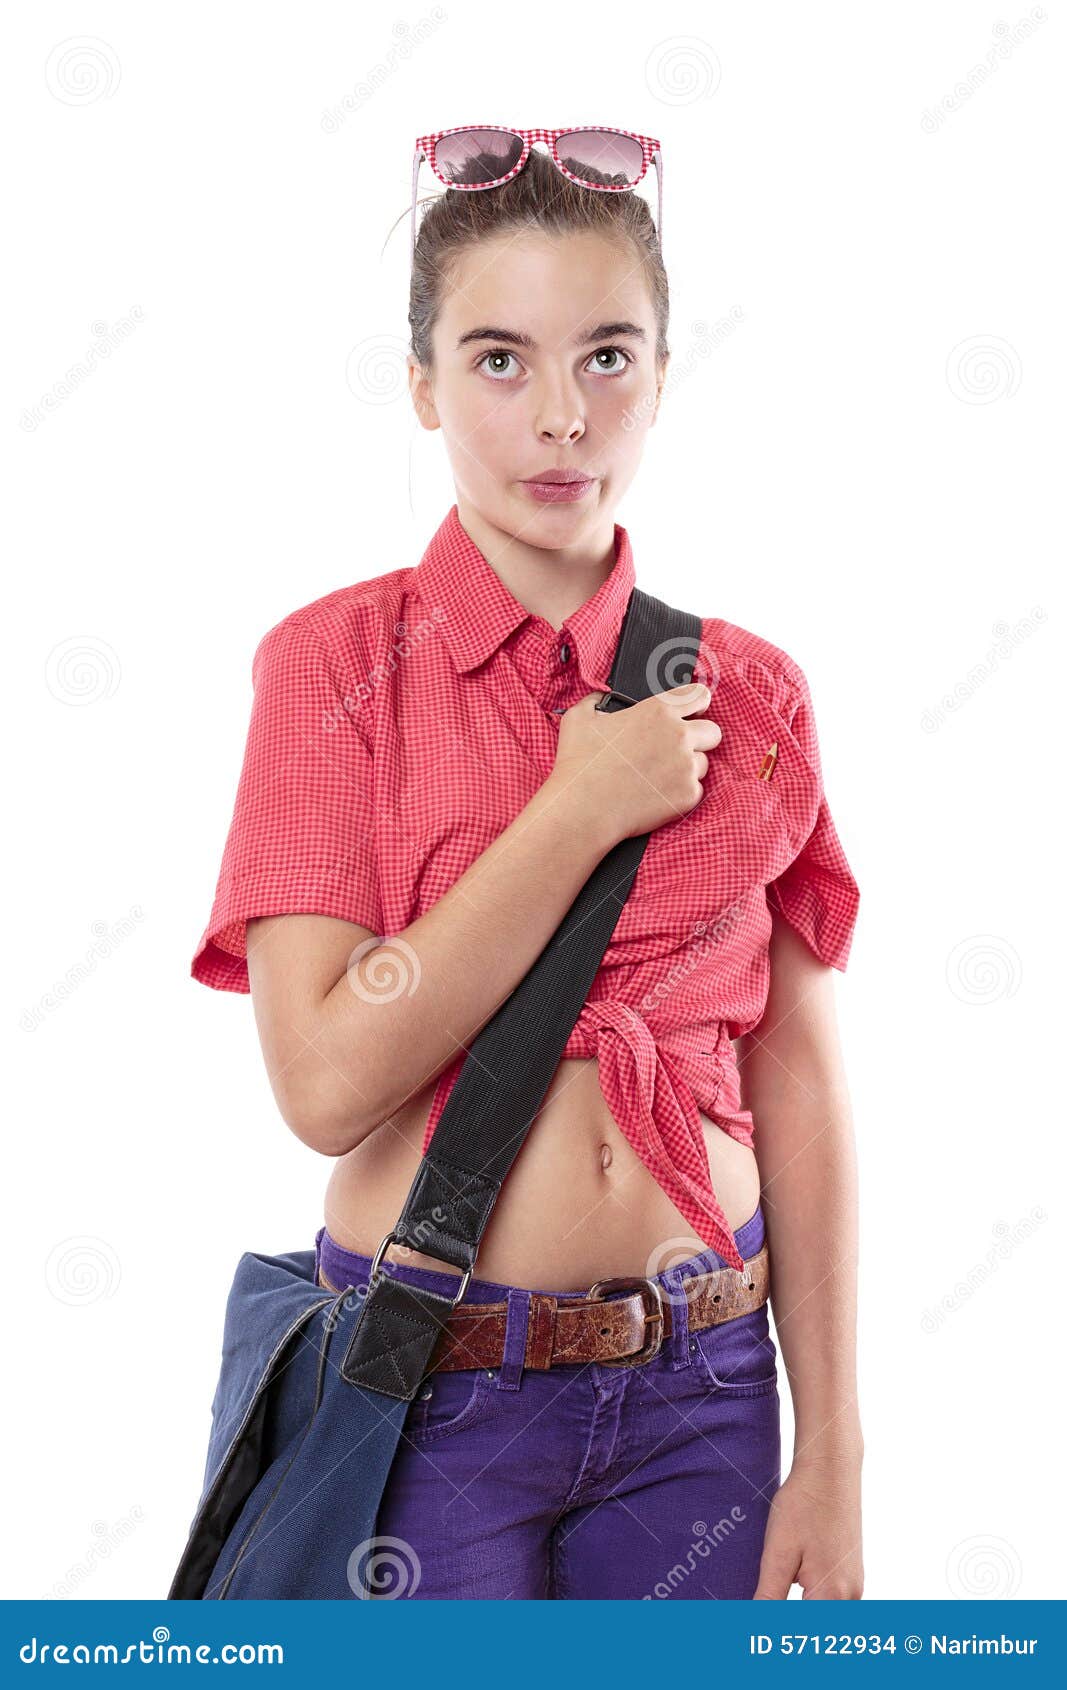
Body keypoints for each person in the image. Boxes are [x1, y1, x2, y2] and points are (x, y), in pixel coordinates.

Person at [188, 134, 864, 1600]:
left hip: (707, 1387)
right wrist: (578, 810)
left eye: (608, 355)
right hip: (433, 1387)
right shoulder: (334, 668)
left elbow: (796, 1068)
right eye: (499, 360)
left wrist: (837, 1445)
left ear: (666, 372)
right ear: (422, 386)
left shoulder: (753, 694)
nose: (562, 415)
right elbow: (323, 1078)